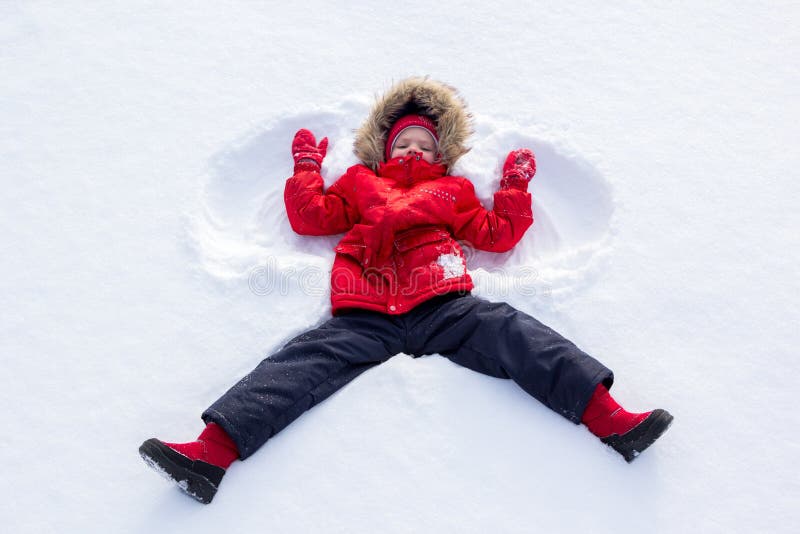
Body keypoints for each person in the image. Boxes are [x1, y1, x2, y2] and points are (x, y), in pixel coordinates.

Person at [139, 77, 673, 504]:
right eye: (404, 142)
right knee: (296, 364)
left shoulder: (453, 188)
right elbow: (309, 219)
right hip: (365, 312)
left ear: (441, 152)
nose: (415, 150)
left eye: (425, 143)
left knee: (515, 333)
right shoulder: (358, 183)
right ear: (382, 147)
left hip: (443, 304)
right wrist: (306, 170)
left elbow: (497, 235)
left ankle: (612, 421)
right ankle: (209, 454)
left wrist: (512, 190)